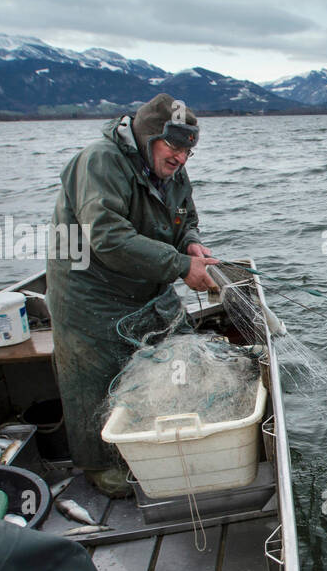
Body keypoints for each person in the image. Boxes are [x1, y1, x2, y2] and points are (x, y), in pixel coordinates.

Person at [46, 93, 219, 497]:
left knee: (179, 351)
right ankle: (101, 463)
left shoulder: (174, 173)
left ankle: (169, 439)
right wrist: (180, 267)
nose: (181, 159)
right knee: (97, 380)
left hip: (148, 286)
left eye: (188, 151)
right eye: (173, 147)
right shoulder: (101, 161)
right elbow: (107, 236)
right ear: (147, 137)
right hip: (91, 295)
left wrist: (191, 244)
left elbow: (186, 220)